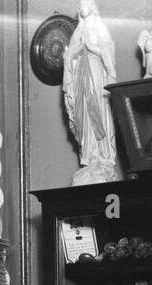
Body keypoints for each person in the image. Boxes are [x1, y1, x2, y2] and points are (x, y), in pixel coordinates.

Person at [62, 0, 119, 186]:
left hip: (96, 76)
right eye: (80, 4)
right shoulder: (78, 31)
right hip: (81, 80)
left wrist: (91, 48)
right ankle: (89, 157)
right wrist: (75, 52)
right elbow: (70, 56)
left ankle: (103, 158)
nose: (82, 6)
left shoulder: (100, 26)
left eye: (86, 3)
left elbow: (107, 51)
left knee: (100, 113)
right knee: (84, 115)